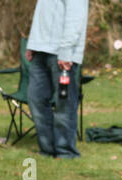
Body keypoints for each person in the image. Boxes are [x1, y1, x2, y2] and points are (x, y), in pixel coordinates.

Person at [26, 0, 87, 158]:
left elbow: (76, 17)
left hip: (61, 53)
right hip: (40, 50)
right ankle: (47, 149)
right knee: (36, 100)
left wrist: (66, 50)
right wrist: (32, 44)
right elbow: (41, 16)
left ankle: (65, 152)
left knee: (64, 104)